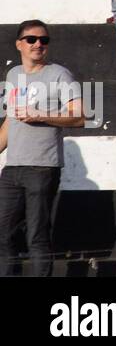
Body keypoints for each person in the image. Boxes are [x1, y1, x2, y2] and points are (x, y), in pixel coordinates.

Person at [0, 21, 84, 276]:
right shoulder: (13, 75)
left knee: (37, 236)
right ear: (19, 44)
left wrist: (41, 116)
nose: (38, 44)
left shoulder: (60, 74)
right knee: (2, 234)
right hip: (12, 168)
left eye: (44, 40)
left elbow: (80, 117)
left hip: (42, 167)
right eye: (32, 39)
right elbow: (9, 123)